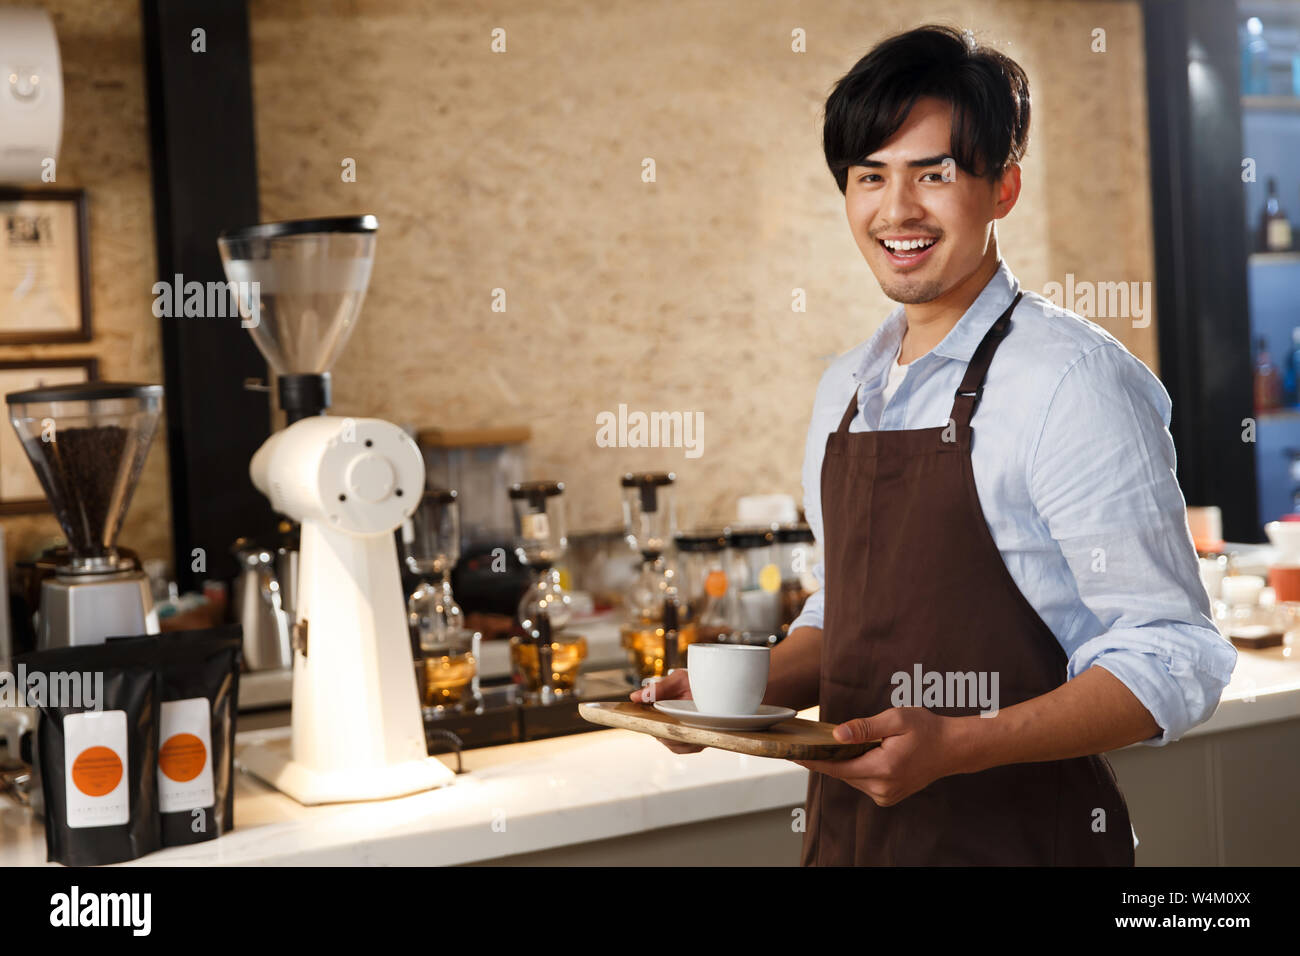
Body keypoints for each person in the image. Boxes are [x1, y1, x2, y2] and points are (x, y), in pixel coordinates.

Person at [632, 24, 1236, 866]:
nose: (897, 209)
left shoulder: (1074, 383)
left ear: (1003, 189)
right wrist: (732, 696)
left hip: (1023, 845)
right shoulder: (846, 387)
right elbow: (847, 612)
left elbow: (1173, 654)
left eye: (934, 173)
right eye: (870, 176)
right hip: (852, 845)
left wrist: (958, 744)